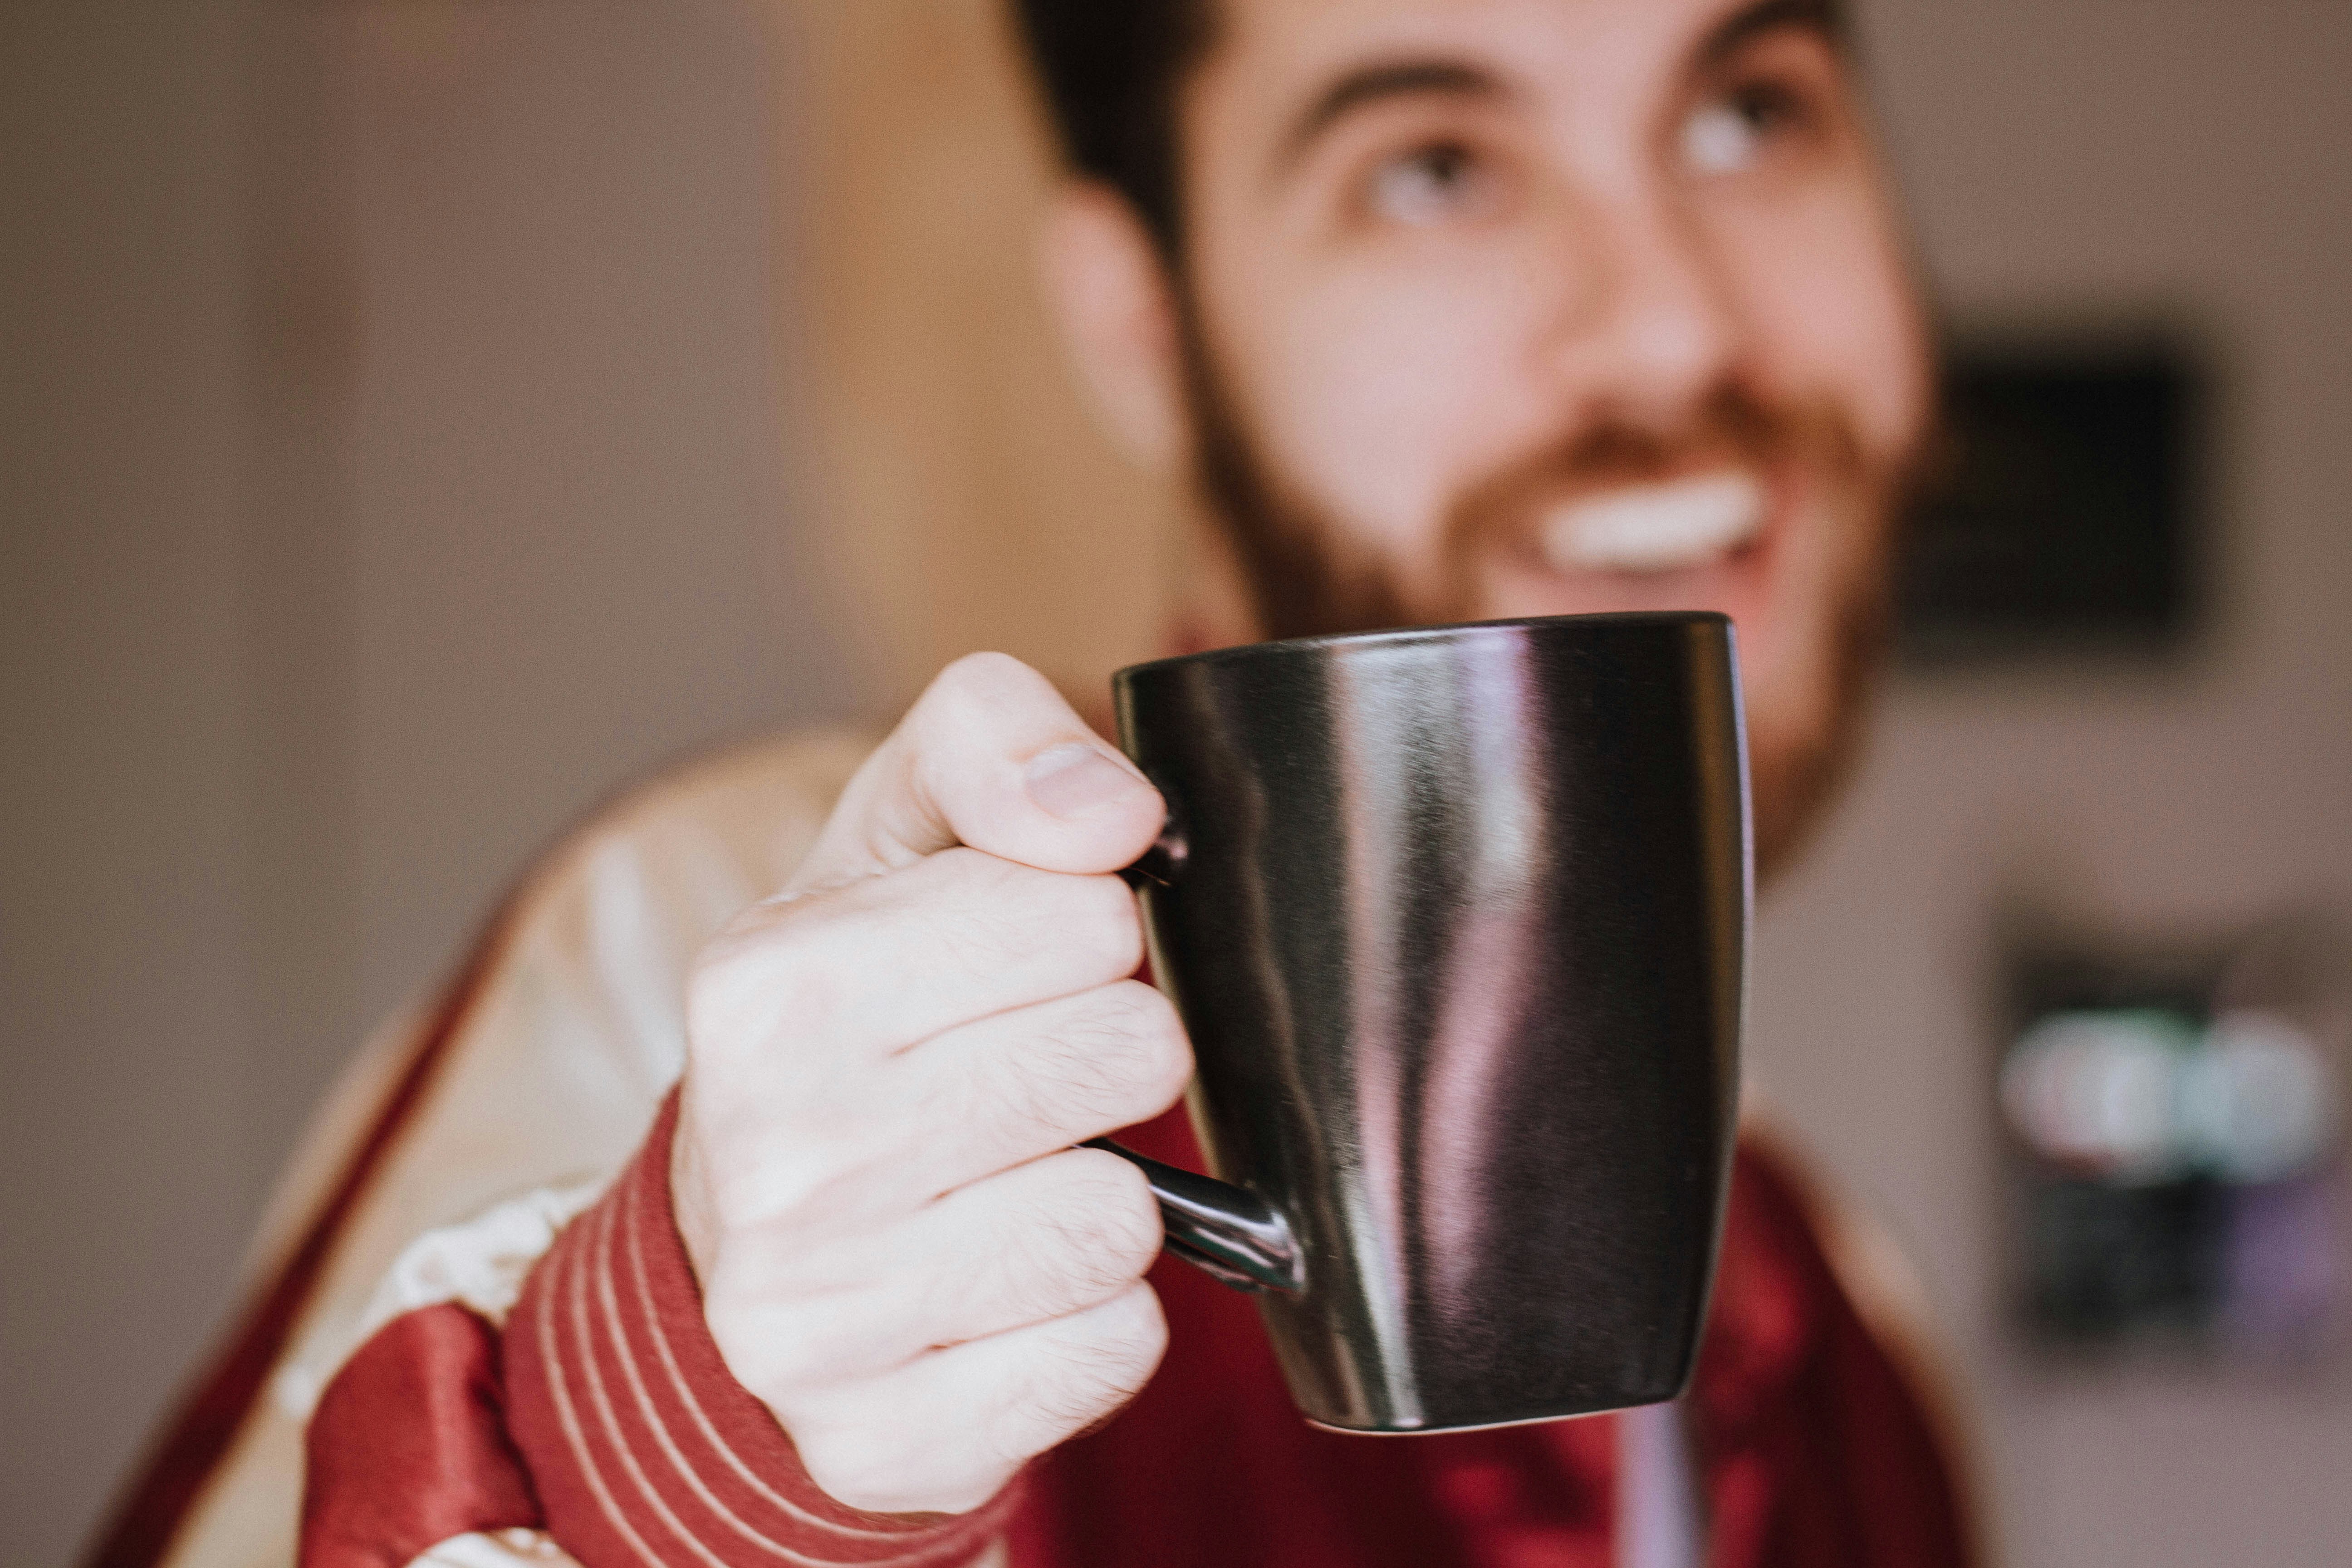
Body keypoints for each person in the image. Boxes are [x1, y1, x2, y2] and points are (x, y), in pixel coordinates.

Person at [87, 1, 1977, 1566]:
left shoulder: (1838, 1320)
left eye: (1750, 113)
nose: (1670, 322)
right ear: (1144, 330)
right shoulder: (702, 962)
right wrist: (669, 1435)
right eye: (1433, 165)